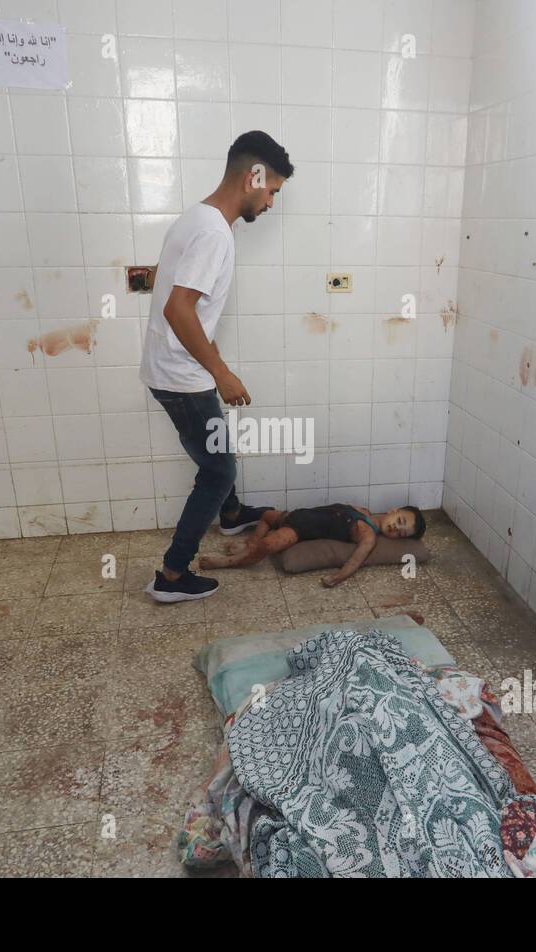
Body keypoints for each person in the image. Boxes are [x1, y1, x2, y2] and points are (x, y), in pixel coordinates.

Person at [141, 131, 295, 603]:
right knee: (218, 469)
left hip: (175, 369)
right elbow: (179, 310)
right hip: (181, 377)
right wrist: (222, 373)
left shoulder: (199, 218)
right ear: (253, 176)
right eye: (271, 191)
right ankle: (170, 576)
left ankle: (229, 516)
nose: (270, 203)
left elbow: (180, 306)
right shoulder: (213, 232)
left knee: (215, 453)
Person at [198, 504, 427, 588]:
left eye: (401, 533)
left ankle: (228, 562)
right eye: (399, 522)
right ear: (393, 511)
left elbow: (356, 560)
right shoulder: (363, 510)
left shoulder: (369, 536)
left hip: (301, 530)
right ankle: (248, 544)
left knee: (268, 545)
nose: (396, 529)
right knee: (266, 515)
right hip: (297, 514)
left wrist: (337, 577)